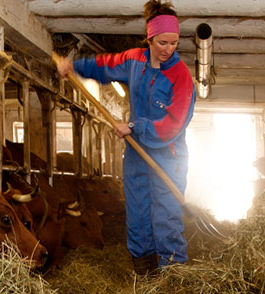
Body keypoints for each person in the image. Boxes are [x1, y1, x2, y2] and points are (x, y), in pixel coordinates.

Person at [57, 0, 196, 276]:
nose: (169, 50)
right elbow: (105, 65)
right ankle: (145, 276)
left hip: (168, 155)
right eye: (162, 43)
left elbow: (173, 123)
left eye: (174, 43)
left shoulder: (181, 77)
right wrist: (75, 66)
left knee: (166, 217)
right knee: (138, 213)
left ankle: (172, 282)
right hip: (136, 153)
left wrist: (134, 126)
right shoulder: (135, 60)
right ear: (150, 38)